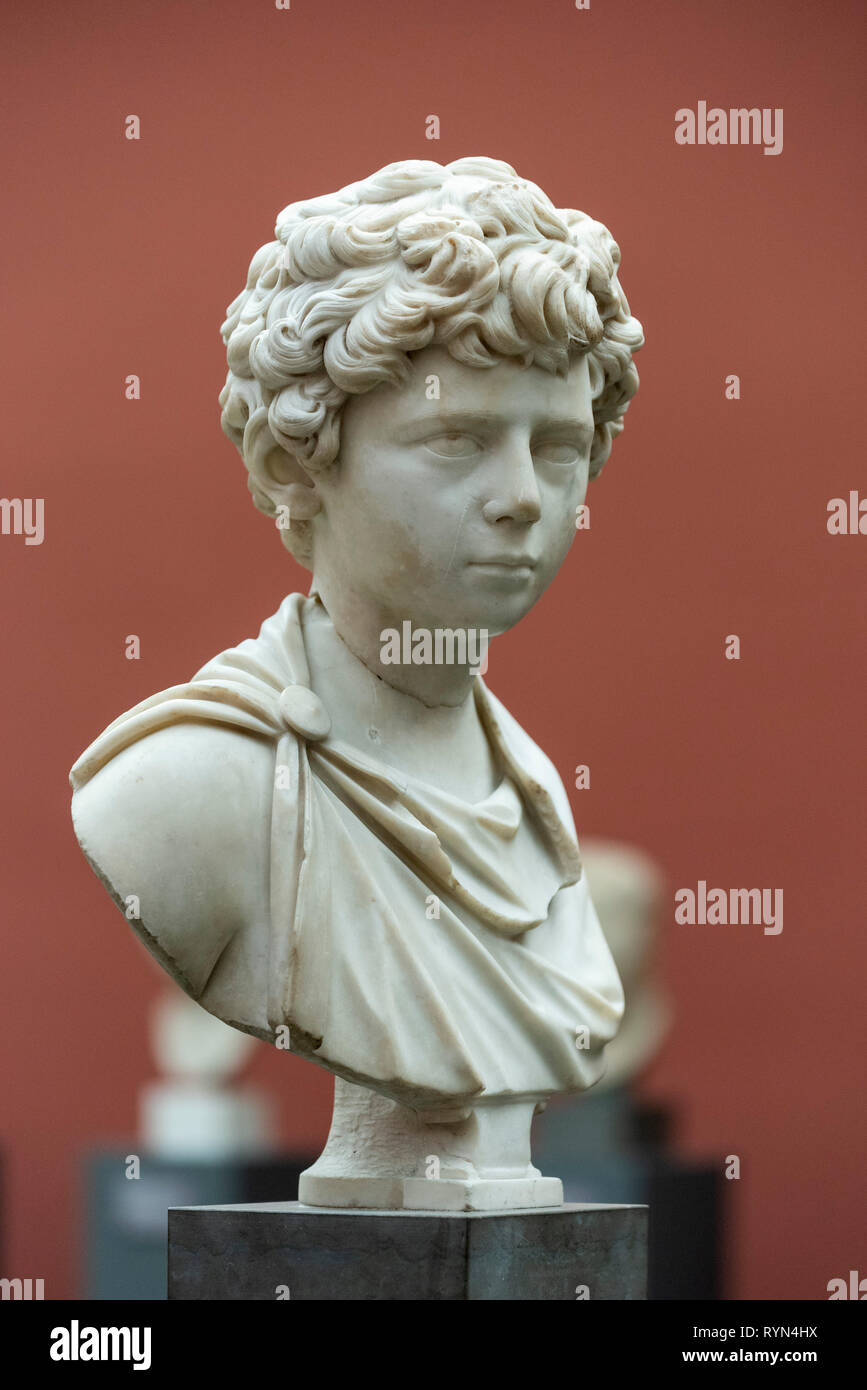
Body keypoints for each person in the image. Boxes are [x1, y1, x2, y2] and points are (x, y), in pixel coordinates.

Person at [70, 157, 644, 1206]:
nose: (522, 496)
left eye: (559, 446)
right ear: (300, 462)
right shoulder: (189, 792)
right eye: (457, 439)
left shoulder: (535, 799)